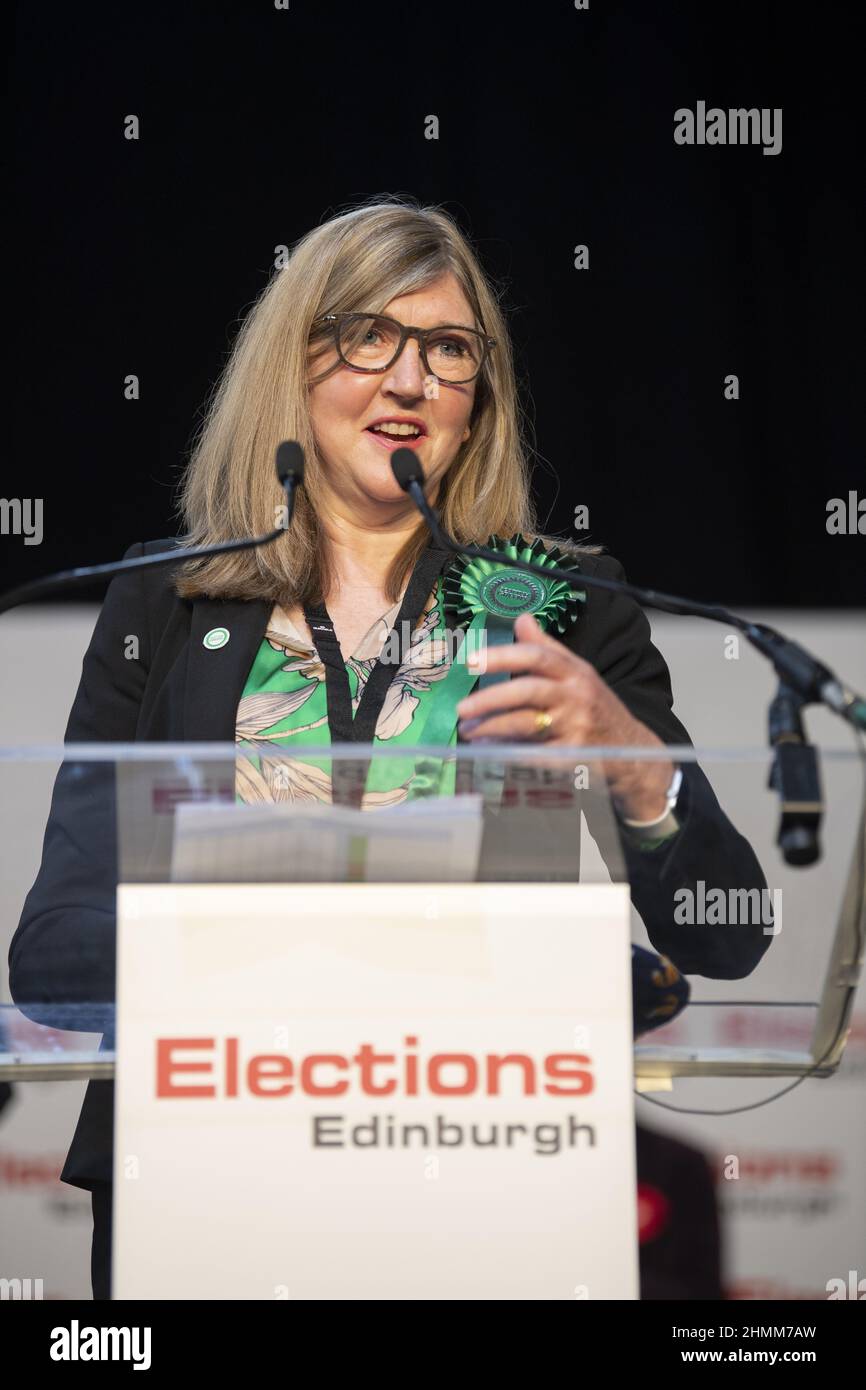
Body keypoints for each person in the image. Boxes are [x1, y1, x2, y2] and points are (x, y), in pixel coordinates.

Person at [9, 196, 772, 1299]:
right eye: (368, 336)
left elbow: (728, 933)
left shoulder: (557, 604)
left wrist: (632, 759)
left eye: (449, 350)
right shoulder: (168, 598)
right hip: (200, 1168)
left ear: (480, 399)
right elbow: (56, 949)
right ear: (294, 361)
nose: (408, 382)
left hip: (488, 1168)